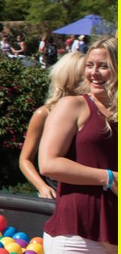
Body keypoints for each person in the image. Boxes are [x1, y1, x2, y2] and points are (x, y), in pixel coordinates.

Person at [38, 37, 117, 254]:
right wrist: (109, 177)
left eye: (103, 66)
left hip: (115, 227)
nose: (94, 73)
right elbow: (48, 163)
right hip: (78, 228)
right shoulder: (73, 106)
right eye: (90, 65)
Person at [19, 51, 85, 199]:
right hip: (57, 191)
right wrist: (42, 186)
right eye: (82, 77)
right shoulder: (44, 114)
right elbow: (25, 159)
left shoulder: (92, 113)